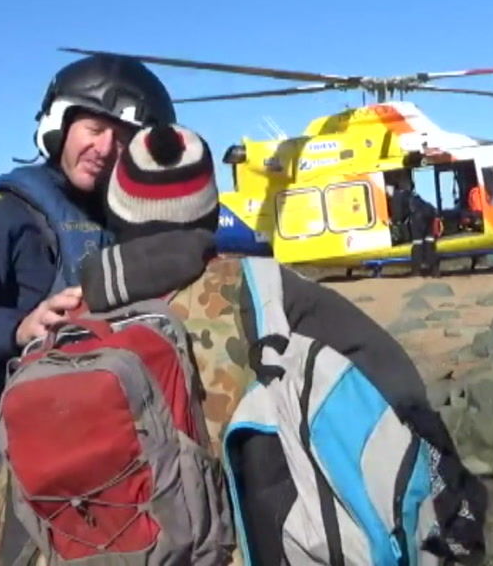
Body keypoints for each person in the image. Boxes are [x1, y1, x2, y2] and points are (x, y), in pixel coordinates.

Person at [77, 122, 432, 462]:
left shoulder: (74, 314)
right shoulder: (266, 288)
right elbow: (392, 379)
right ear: (211, 212)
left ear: (116, 211)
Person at [0, 53, 177, 484]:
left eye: (123, 138)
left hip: (137, 453)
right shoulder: (2, 219)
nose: (105, 148)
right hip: (36, 469)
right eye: (93, 129)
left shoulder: (137, 226)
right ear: (58, 126)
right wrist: (17, 329)